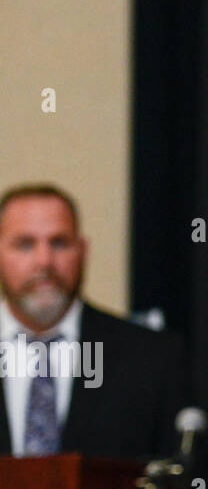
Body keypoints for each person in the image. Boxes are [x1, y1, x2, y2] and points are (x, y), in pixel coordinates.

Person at [0, 183, 187, 459]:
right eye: (25, 244)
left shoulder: (151, 357)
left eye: (59, 243)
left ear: (83, 250)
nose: (44, 261)